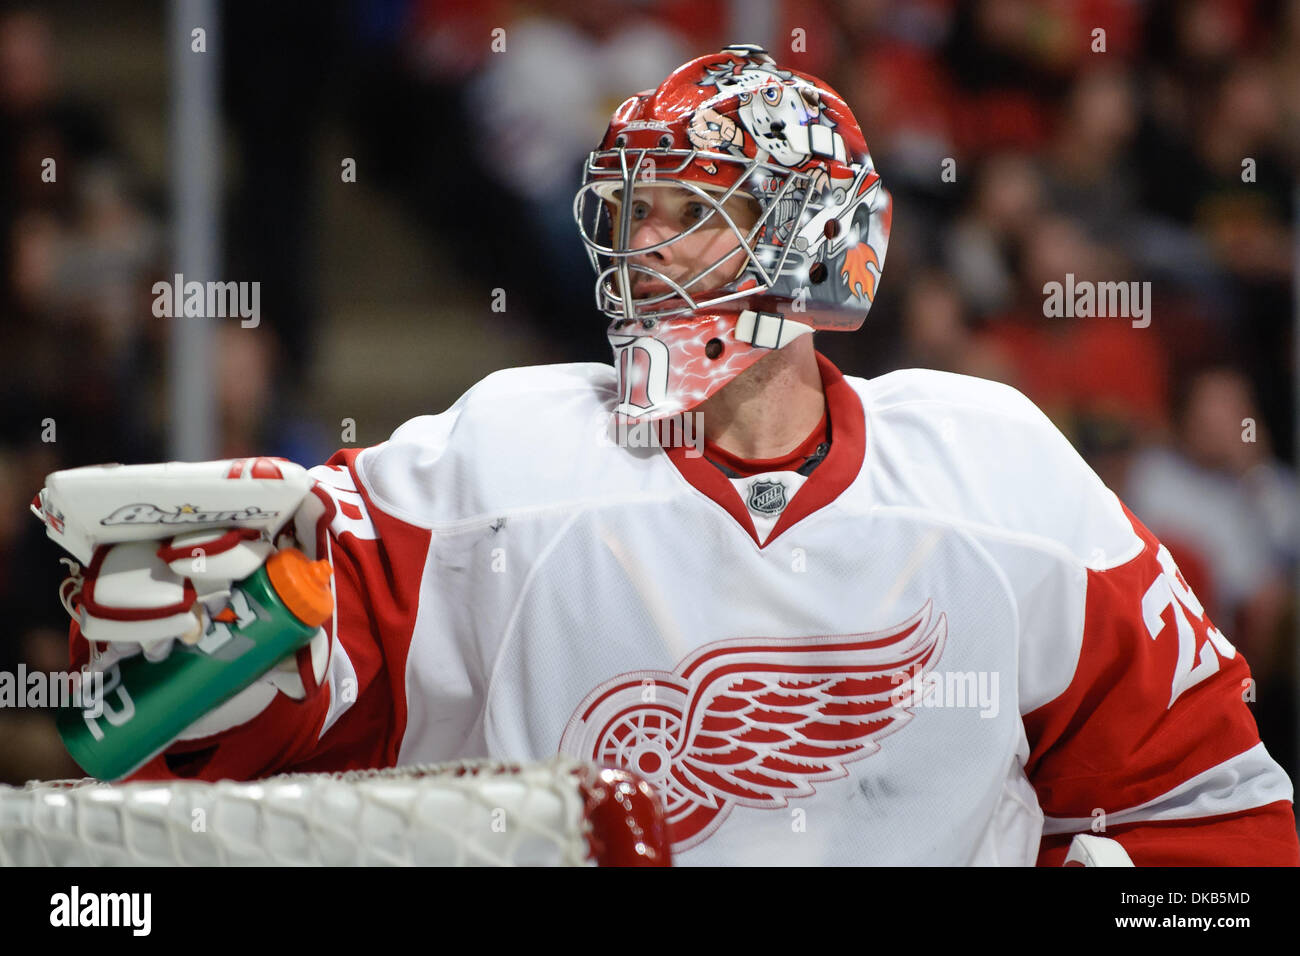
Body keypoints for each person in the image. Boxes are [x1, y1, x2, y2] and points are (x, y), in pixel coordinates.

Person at [39, 45, 1297, 865]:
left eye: (687, 212)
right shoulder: (507, 452)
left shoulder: (999, 470)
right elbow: (205, 737)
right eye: (629, 209)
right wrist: (200, 653)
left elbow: (1221, 830)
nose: (638, 248)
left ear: (822, 246)